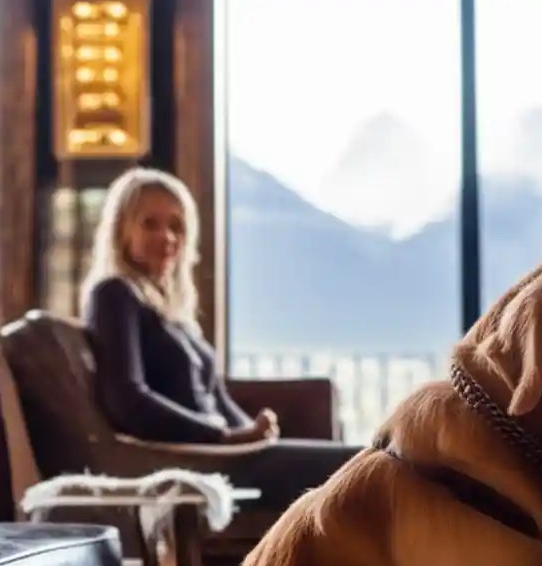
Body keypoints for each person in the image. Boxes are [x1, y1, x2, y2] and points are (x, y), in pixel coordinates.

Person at [79, 167, 359, 507]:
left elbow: (218, 399)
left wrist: (256, 436)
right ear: (122, 230)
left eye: (176, 226)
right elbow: (128, 400)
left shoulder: (173, 315)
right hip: (196, 460)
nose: (167, 237)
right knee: (360, 470)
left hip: (221, 454)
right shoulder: (114, 295)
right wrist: (223, 437)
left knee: (362, 465)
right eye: (150, 224)